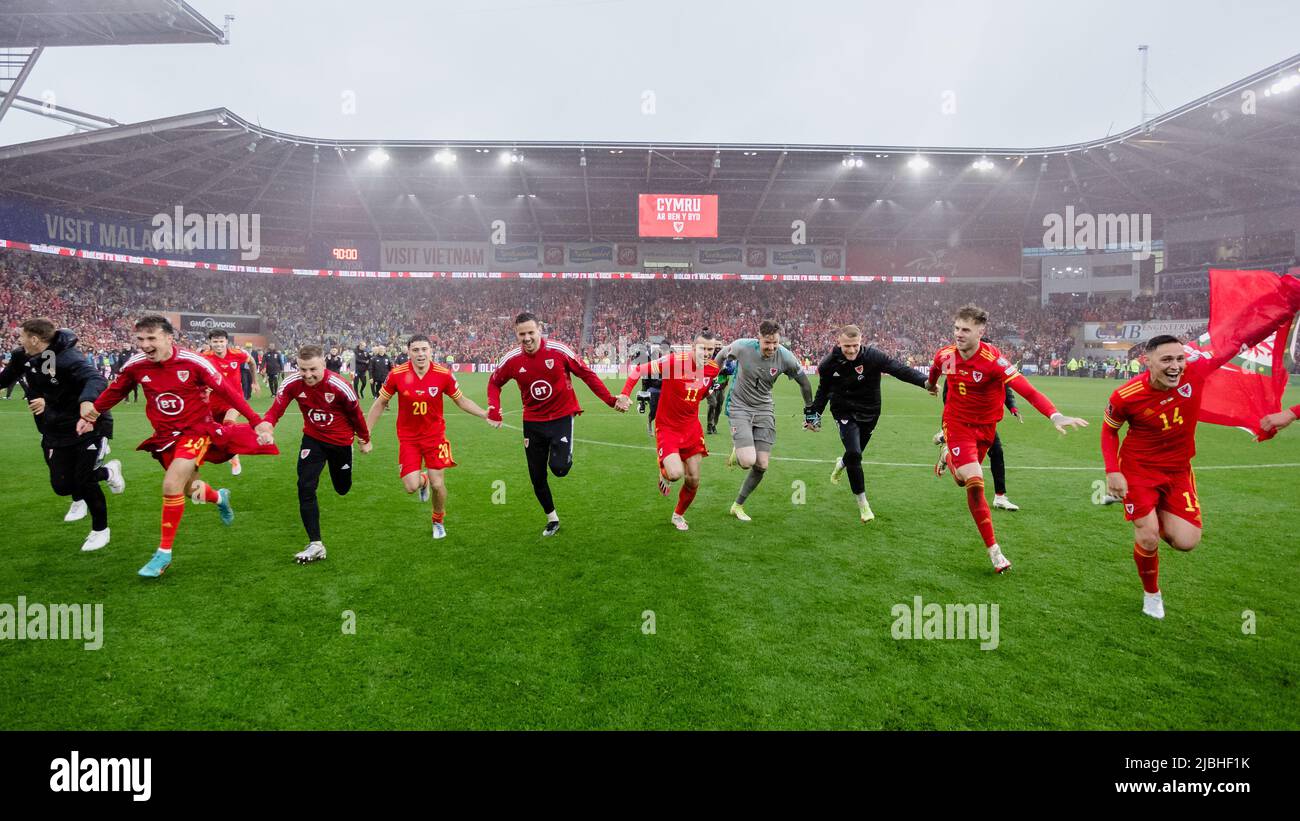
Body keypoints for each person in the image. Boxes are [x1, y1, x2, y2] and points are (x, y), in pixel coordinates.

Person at [1104, 280, 1300, 619]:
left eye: (1180, 359)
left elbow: (1242, 339)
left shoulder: (1198, 369)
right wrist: (1113, 470)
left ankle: (1149, 513)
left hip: (1178, 469)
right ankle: (1152, 594)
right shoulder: (1125, 396)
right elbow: (1110, 431)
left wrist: (1286, 308)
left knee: (1186, 542)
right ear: (1146, 361)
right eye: (1166, 360)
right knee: (1148, 537)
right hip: (1138, 469)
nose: (1176, 366)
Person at [77, 315, 279, 578]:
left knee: (171, 485)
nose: (145, 345)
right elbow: (116, 391)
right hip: (165, 436)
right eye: (141, 339)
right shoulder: (136, 365)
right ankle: (220, 497)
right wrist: (90, 416)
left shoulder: (194, 362)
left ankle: (163, 554)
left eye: (152, 339)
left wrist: (256, 422)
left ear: (169, 338)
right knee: (189, 489)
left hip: (196, 431)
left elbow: (229, 392)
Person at [927, 305, 1087, 573]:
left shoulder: (993, 361)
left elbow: (1028, 391)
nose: (959, 334)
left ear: (981, 331)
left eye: (965, 329)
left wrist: (1054, 415)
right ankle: (995, 551)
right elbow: (935, 370)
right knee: (976, 482)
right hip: (956, 424)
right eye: (956, 328)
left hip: (986, 428)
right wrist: (931, 385)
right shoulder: (947, 355)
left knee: (961, 480)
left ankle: (946, 455)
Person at [487, 312, 624, 536]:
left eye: (531, 332)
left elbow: (587, 374)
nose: (527, 338)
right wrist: (494, 408)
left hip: (561, 417)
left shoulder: (559, 351)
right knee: (537, 477)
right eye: (522, 334)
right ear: (516, 334)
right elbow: (494, 383)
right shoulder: (512, 359)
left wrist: (610, 400)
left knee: (559, 469)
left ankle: (561, 449)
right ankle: (552, 518)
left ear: (539, 329)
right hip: (532, 422)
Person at [0, 319, 124, 551]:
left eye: (22, 336)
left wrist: (86, 401)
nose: (19, 340)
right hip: (53, 427)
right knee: (62, 486)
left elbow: (96, 379)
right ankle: (108, 471)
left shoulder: (68, 357)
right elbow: (4, 379)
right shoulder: (22, 356)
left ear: (35, 339)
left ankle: (100, 530)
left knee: (83, 480)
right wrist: (47, 404)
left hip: (86, 425)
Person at [365, 335, 490, 539]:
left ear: (431, 351)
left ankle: (438, 520)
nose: (421, 354)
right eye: (416, 350)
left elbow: (462, 400)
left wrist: (484, 413)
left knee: (438, 484)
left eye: (424, 349)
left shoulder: (443, 374)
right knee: (410, 487)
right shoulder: (397, 374)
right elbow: (380, 403)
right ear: (408, 352)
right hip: (408, 438)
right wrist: (366, 432)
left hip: (435, 436)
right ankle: (422, 481)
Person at [256, 345, 371, 563]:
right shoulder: (291, 383)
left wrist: (364, 439)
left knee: (342, 488)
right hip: (313, 439)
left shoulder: (340, 386)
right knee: (305, 486)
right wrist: (267, 428)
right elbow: (274, 411)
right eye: (303, 369)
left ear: (323, 365)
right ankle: (315, 543)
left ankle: (347, 464)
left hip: (340, 443)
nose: (307, 375)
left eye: (312, 369)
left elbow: (356, 416)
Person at [809, 324, 928, 523]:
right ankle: (863, 505)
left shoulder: (873, 356)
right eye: (847, 346)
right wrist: (814, 415)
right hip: (844, 411)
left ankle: (841, 463)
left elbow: (898, 369)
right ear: (839, 342)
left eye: (855, 345)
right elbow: (823, 391)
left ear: (861, 342)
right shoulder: (828, 364)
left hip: (870, 412)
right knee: (855, 453)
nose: (851, 350)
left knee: (854, 454)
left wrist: (924, 381)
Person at [615, 331, 721, 530]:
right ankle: (663, 471)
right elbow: (638, 370)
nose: (706, 353)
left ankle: (678, 515)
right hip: (668, 427)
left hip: (691, 427)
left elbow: (704, 390)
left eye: (710, 349)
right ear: (692, 347)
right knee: (674, 474)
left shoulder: (713, 368)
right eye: (702, 348)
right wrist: (624, 394)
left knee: (693, 479)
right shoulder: (674, 362)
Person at [711, 320, 815, 522]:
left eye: (775, 343)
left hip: (764, 408)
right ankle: (739, 448)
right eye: (768, 343)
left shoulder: (785, 356)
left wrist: (809, 410)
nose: (772, 347)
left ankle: (737, 505)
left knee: (762, 465)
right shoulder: (742, 346)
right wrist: (711, 376)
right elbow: (722, 354)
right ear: (759, 338)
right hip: (739, 406)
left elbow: (804, 383)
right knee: (747, 461)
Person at [201, 329, 260, 477]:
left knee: (229, 423)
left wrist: (254, 381)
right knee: (214, 435)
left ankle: (235, 458)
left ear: (227, 342)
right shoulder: (204, 357)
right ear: (210, 343)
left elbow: (252, 362)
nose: (218, 344)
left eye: (221, 341)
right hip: (213, 402)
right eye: (215, 341)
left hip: (234, 401)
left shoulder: (237, 354)